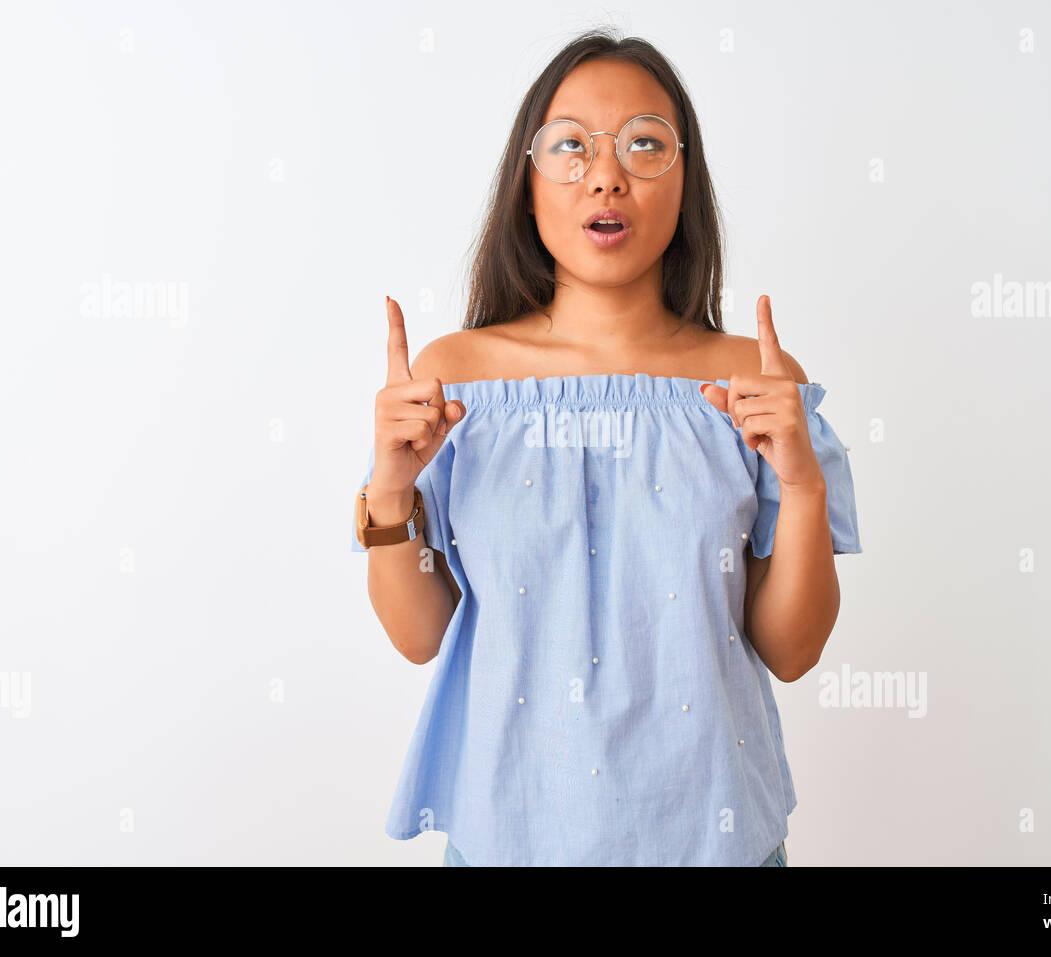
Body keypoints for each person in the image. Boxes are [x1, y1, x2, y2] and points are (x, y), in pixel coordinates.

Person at [352, 29, 862, 866]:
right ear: (527, 183)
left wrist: (803, 486)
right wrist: (390, 490)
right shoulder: (454, 380)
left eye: (645, 145)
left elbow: (793, 650)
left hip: (716, 839)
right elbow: (417, 635)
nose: (606, 173)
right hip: (509, 838)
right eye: (571, 146)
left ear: (685, 181)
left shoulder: (751, 383)